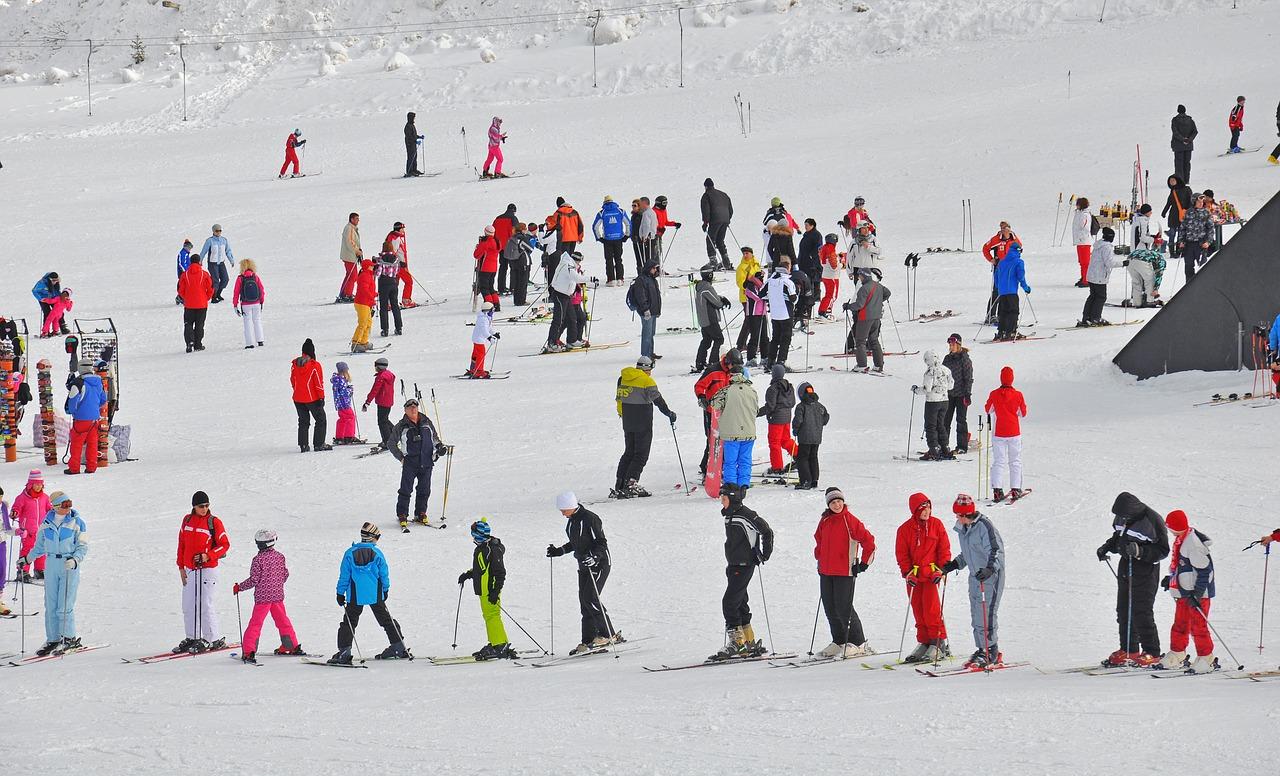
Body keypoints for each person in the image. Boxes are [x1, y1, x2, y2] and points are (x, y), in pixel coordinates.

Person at [1096, 492, 1170, 666]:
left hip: (1145, 569)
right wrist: (1106, 547)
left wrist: (1140, 552)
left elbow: (1163, 550)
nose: (1122, 518)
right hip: (1126, 565)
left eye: (1124, 515)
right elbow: (1118, 537)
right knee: (1123, 609)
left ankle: (1152, 651)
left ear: (1132, 510)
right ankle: (1129, 649)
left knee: (1141, 611)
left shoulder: (1152, 520)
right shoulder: (1122, 517)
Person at [546, 492, 620, 654]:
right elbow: (575, 543)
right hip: (584, 566)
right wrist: (559, 551)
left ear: (571, 506)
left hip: (599, 564)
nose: (562, 513)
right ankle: (588, 640)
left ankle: (608, 634)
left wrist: (595, 557)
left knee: (590, 598)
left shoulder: (590, 518)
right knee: (584, 602)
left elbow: (601, 542)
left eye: (563, 509)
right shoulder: (572, 521)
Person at [940, 494, 1005, 668]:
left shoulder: (984, 526)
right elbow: (968, 553)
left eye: (958, 515)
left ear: (965, 514)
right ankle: (982, 649)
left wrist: (990, 569)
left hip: (991, 576)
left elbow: (996, 551)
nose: (956, 518)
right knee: (976, 613)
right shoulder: (964, 528)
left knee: (987, 613)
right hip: (975, 577)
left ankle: (991, 651)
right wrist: (954, 564)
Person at [331, 522, 408, 664]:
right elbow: (384, 574)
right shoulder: (377, 553)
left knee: (349, 622)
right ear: (372, 537)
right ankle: (398, 646)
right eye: (378, 536)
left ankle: (344, 652)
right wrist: (385, 589)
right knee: (386, 619)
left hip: (356, 595)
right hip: (375, 593)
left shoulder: (349, 553)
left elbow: (344, 576)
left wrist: (340, 593)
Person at [712, 483, 773, 660]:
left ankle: (737, 643)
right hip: (733, 564)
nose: (721, 501)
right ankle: (748, 640)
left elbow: (767, 531)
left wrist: (764, 554)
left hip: (744, 564)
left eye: (723, 498)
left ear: (731, 498)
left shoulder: (746, 514)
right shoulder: (729, 514)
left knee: (729, 602)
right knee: (739, 602)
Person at [812, 487, 876, 658]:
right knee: (830, 607)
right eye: (833, 502)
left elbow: (869, 542)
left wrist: (863, 564)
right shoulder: (825, 520)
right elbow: (819, 540)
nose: (837, 505)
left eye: (839, 501)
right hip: (826, 571)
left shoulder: (850, 520)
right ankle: (839, 640)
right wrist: (819, 559)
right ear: (828, 504)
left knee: (843, 607)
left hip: (844, 571)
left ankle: (858, 642)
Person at [1155, 510, 1217, 673]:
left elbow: (1206, 571)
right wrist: (1171, 579)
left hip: (1198, 594)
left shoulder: (1193, 544)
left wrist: (1197, 593)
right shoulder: (1181, 539)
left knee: (1198, 627)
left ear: (1175, 527)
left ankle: (1206, 658)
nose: (1169, 530)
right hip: (1184, 593)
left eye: (1170, 527)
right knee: (1180, 624)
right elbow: (1182, 567)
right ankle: (1178, 653)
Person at [26, 491, 87, 655]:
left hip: (68, 564)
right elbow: (39, 546)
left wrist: (75, 560)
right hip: (51, 564)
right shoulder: (46, 522)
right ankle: (53, 639)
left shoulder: (77, 522)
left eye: (70, 503)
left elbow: (82, 546)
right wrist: (27, 559)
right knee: (51, 604)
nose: (68, 508)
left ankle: (69, 638)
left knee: (64, 604)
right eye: (65, 505)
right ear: (55, 506)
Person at [895, 492, 951, 663]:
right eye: (922, 509)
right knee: (918, 610)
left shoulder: (936, 524)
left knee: (931, 610)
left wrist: (941, 570)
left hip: (932, 575)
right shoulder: (904, 529)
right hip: (914, 577)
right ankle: (924, 642)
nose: (926, 512)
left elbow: (944, 549)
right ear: (915, 511)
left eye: (928, 508)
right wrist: (907, 572)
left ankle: (938, 642)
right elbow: (902, 554)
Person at [233, 529, 304, 662]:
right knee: (283, 621)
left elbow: (254, 580)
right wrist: (275, 584)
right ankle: (291, 645)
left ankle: (249, 651)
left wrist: (240, 587)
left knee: (255, 624)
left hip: (263, 599)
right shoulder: (280, 557)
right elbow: (285, 574)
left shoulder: (258, 559)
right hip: (277, 597)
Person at [173, 490, 230, 654]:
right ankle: (192, 637)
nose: (204, 509)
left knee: (205, 604)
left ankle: (212, 638)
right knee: (188, 605)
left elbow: (224, 545)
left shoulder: (214, 522)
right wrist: (181, 567)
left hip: (207, 570)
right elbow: (181, 544)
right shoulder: (187, 520)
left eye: (206, 505)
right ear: (194, 506)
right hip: (190, 570)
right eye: (201, 506)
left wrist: (208, 555)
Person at [613, 355, 676, 499]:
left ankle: (620, 484)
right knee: (641, 454)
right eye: (650, 370)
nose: (650, 373)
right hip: (643, 421)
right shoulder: (646, 381)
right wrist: (669, 413)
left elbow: (619, 398)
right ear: (647, 368)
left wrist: (622, 414)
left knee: (629, 452)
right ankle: (631, 484)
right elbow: (658, 400)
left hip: (627, 420)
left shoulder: (622, 378)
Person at [457, 519, 517, 660]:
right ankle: (495, 642)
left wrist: (495, 591)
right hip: (483, 590)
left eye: (474, 535)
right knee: (488, 616)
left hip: (490, 590)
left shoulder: (492, 550)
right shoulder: (483, 548)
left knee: (492, 615)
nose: (473, 538)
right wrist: (468, 574)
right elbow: (482, 568)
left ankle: (500, 645)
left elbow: (499, 572)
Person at [388, 397, 446, 529]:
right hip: (410, 463)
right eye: (410, 407)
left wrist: (440, 447)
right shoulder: (401, 426)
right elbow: (391, 443)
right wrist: (401, 458)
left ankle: (421, 513)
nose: (413, 409)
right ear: (405, 410)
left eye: (415, 407)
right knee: (405, 490)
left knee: (424, 489)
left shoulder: (426, 422)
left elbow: (434, 438)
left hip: (427, 462)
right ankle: (402, 514)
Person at [710, 365, 759, 488]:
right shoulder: (752, 391)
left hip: (731, 433)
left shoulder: (726, 391)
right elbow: (756, 410)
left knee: (730, 462)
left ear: (731, 376)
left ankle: (731, 485)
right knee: (745, 460)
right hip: (749, 431)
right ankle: (744, 484)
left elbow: (714, 404)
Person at [983, 366, 1027, 502]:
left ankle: (997, 490)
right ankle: (1015, 489)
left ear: (1001, 379)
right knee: (1015, 461)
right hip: (1014, 432)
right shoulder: (1018, 395)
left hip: (999, 433)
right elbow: (1023, 413)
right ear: (1012, 379)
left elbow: (988, 409)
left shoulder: (994, 394)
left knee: (999, 461)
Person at [694, 349, 739, 479]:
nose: (734, 368)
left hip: (727, 412)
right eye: (733, 365)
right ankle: (706, 468)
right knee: (712, 440)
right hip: (711, 412)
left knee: (724, 439)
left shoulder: (734, 372)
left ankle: (721, 465)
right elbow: (699, 386)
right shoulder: (713, 370)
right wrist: (702, 397)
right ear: (728, 361)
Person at [64, 358, 107, 475]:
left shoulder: (78, 383)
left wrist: (72, 411)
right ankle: (91, 467)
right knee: (92, 444)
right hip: (94, 419)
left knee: (76, 445)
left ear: (80, 368)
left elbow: (72, 401)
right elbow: (103, 400)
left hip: (81, 419)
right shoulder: (99, 382)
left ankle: (74, 468)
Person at [844, 269, 890, 371]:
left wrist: (848, 306)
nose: (859, 278)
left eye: (860, 276)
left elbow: (859, 305)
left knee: (860, 341)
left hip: (865, 318)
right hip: (876, 317)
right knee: (874, 341)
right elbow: (888, 293)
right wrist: (877, 301)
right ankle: (878, 365)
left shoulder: (864, 288)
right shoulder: (878, 286)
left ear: (863, 276)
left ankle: (862, 365)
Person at [911, 351, 954, 461]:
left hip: (932, 402)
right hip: (945, 401)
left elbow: (927, 389)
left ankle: (934, 449)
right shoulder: (946, 370)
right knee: (941, 425)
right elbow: (951, 386)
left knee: (930, 426)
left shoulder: (930, 371)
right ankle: (945, 448)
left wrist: (916, 390)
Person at [290, 338, 331, 453]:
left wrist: (297, 390)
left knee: (303, 421)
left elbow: (292, 380)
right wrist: (321, 397)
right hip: (312, 398)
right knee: (321, 419)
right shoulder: (314, 365)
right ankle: (319, 444)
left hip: (298, 398)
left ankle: (303, 445)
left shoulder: (295, 364)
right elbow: (318, 383)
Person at [1078, 227, 1125, 326]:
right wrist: (1123, 263)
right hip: (1099, 276)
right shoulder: (1107, 247)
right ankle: (1095, 318)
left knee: (1093, 296)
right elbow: (1109, 263)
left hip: (1092, 275)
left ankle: (1086, 317)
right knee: (1101, 297)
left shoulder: (1098, 245)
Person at [757, 363, 797, 476]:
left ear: (774, 374)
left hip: (776, 420)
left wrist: (757, 412)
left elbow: (770, 406)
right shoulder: (789, 387)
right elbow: (792, 403)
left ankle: (777, 467)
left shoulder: (773, 389)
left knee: (774, 443)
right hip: (787, 418)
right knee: (785, 440)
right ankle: (799, 457)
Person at [13, 469, 50, 582]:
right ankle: (22, 571)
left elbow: (49, 509)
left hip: (42, 530)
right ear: (30, 484)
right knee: (27, 550)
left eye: (40, 484)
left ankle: (39, 570)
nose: (38, 487)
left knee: (41, 550)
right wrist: (15, 512)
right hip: (28, 531)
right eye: (36, 484)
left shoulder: (45, 497)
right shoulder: (22, 497)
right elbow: (16, 508)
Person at [981, 222, 1021, 324]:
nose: (1003, 230)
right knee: (997, 290)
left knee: (1007, 291)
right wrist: (991, 259)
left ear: (1009, 229)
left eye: (1005, 228)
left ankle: (1002, 315)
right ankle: (990, 315)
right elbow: (985, 248)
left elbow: (1019, 248)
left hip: (1010, 269)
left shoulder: (1014, 238)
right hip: (999, 268)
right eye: (1001, 228)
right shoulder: (996, 239)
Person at [791, 382, 828, 490]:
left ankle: (806, 481)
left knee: (802, 458)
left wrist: (795, 429)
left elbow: (798, 420)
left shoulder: (801, 406)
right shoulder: (820, 406)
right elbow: (826, 418)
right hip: (816, 437)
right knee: (813, 457)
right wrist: (819, 424)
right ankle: (814, 480)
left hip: (805, 437)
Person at [694, 264, 731, 371]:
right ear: (710, 275)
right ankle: (713, 363)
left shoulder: (700, 287)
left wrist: (721, 298)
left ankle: (700, 362)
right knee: (719, 339)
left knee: (706, 340)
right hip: (710, 319)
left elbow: (712, 298)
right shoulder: (707, 287)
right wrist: (722, 302)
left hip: (703, 320)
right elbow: (717, 302)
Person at [991, 242, 1030, 342]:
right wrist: (1025, 287)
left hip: (1002, 292)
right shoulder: (1018, 262)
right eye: (1021, 251)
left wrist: (999, 287)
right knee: (1013, 311)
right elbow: (1020, 276)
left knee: (1003, 312)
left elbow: (996, 276)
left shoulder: (1002, 261)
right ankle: (1011, 331)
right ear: (1018, 250)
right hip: (1012, 291)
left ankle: (1001, 332)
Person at [942, 334, 973, 454]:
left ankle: (962, 446)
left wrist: (967, 394)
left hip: (961, 395)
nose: (950, 347)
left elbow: (968, 378)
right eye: (950, 345)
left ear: (958, 345)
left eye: (953, 344)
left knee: (961, 420)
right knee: (945, 420)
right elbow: (942, 375)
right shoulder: (947, 359)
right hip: (949, 395)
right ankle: (943, 445)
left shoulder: (965, 359)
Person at [764, 258, 796, 369]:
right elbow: (793, 298)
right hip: (786, 313)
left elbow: (761, 294)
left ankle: (770, 362)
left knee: (775, 337)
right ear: (787, 269)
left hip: (774, 314)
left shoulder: (770, 280)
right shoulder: (787, 281)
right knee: (786, 338)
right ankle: (781, 362)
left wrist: (772, 298)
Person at [734, 246, 766, 357]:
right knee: (749, 320)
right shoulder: (742, 267)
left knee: (753, 321)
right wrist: (749, 283)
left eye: (747, 253)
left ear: (752, 254)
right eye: (744, 253)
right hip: (747, 296)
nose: (745, 255)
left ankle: (751, 342)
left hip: (757, 296)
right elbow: (740, 283)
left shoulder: (756, 265)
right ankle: (742, 343)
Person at [594, 195, 632, 286]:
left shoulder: (602, 213)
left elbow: (595, 226)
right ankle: (620, 279)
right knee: (618, 259)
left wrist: (599, 238)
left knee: (609, 260)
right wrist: (627, 235)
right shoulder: (620, 211)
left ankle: (611, 280)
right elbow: (628, 224)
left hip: (607, 240)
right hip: (619, 239)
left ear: (604, 203)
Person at [178, 254, 213, 352]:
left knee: (188, 324)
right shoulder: (204, 274)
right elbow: (210, 288)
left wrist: (186, 298)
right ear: (199, 262)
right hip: (202, 304)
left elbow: (180, 290)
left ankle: (189, 342)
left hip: (189, 304)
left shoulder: (185, 275)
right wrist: (206, 298)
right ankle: (198, 345)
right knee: (199, 324)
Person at [1177, 193, 1214, 284]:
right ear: (1194, 202)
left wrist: (1208, 242)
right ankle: (1189, 285)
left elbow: (1210, 229)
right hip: (1189, 244)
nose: (1201, 203)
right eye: (1198, 202)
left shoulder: (1206, 213)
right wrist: (1181, 241)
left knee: (1202, 267)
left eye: (1202, 201)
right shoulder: (1188, 212)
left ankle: (1203, 286)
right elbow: (1182, 228)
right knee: (1188, 267)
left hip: (1201, 244)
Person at [630, 259, 663, 360]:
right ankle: (645, 355)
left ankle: (650, 352)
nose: (655, 270)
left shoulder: (653, 280)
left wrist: (657, 310)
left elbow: (656, 296)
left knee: (651, 333)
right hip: (646, 311)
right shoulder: (641, 280)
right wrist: (645, 309)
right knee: (647, 334)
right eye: (654, 268)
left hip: (653, 311)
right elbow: (641, 296)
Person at [362, 357, 396, 450]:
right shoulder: (389, 375)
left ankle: (387, 441)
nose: (375, 368)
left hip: (382, 402)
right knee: (385, 419)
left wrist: (367, 402)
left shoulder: (381, 377)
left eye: (376, 366)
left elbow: (374, 390)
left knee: (382, 422)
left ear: (379, 367)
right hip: (388, 401)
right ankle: (396, 434)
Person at [701, 178, 734, 270]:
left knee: (710, 240)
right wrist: (727, 219)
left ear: (705, 186)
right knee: (720, 240)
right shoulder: (724, 195)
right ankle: (726, 262)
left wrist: (705, 223)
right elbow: (731, 210)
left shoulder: (706, 195)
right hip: (725, 220)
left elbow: (705, 210)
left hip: (715, 220)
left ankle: (713, 261)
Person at [232, 258, 265, 349]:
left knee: (247, 322)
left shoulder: (240, 278)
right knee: (257, 320)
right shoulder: (255, 277)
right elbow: (261, 290)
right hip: (257, 303)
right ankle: (260, 340)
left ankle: (249, 343)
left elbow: (236, 292)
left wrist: (235, 305)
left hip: (245, 304)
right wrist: (261, 301)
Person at [373, 240, 403, 337]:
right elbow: (397, 271)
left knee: (384, 307)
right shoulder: (396, 259)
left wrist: (375, 267)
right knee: (395, 306)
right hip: (393, 283)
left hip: (383, 284)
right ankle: (399, 328)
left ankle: (385, 330)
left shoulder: (381, 259)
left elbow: (378, 273)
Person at [199, 224, 234, 303]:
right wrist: (200, 261)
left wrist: (231, 260)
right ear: (213, 231)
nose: (218, 232)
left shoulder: (224, 240)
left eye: (220, 231)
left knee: (225, 279)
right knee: (215, 281)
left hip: (221, 263)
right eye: (217, 231)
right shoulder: (209, 241)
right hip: (212, 264)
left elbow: (228, 251)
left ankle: (218, 294)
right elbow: (203, 251)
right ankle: (213, 297)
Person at [384, 221, 415, 308]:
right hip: (398, 265)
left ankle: (389, 303)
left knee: (394, 284)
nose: (403, 230)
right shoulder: (396, 239)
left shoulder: (394, 236)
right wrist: (400, 262)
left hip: (395, 265)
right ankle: (406, 300)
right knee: (409, 281)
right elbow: (392, 252)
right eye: (402, 229)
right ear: (399, 229)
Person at [1161, 175, 1193, 256]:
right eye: (1170, 181)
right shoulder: (1173, 191)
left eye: (1173, 180)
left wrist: (1189, 211)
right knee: (1172, 234)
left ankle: (1179, 251)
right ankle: (1172, 252)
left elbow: (1190, 201)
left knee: (1180, 235)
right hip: (1173, 216)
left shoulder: (1186, 189)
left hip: (1183, 215)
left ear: (1177, 180)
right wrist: (1164, 212)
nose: (1171, 182)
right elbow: (1169, 202)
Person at [331, 362, 361, 445]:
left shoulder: (339, 380)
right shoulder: (340, 380)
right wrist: (349, 390)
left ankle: (342, 436)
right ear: (344, 371)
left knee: (344, 419)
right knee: (350, 417)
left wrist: (347, 388)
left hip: (341, 403)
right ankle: (348, 436)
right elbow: (343, 393)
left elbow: (340, 391)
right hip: (344, 403)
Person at [468, 301, 500, 379]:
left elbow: (489, 328)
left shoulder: (486, 317)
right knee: (481, 354)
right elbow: (484, 331)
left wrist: (494, 333)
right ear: (488, 310)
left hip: (477, 338)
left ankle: (473, 369)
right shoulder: (483, 319)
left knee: (476, 354)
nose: (493, 311)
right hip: (479, 339)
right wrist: (489, 338)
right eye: (492, 310)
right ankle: (479, 371)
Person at [473, 225, 501, 311]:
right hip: (493, 268)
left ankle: (489, 305)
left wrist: (478, 247)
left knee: (484, 288)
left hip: (485, 268)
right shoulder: (497, 242)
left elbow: (476, 255)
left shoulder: (485, 243)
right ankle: (496, 304)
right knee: (491, 287)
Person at [506, 222, 534, 306]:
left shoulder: (512, 237)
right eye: (525, 228)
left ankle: (516, 300)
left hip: (513, 262)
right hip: (523, 262)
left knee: (516, 282)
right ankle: (521, 301)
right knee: (523, 282)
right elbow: (530, 248)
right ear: (522, 230)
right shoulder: (522, 238)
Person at [351, 259, 376, 352]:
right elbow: (364, 290)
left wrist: (375, 294)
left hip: (366, 302)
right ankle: (356, 343)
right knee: (363, 323)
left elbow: (369, 289)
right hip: (362, 303)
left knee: (368, 323)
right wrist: (371, 297)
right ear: (367, 266)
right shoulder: (365, 275)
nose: (373, 267)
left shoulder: (368, 275)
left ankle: (363, 342)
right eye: (371, 265)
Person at [493, 204, 519, 293]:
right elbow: (516, 232)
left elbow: (493, 231)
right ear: (514, 211)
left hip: (500, 246)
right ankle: (513, 287)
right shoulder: (513, 219)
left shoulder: (497, 218)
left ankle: (501, 287)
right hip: (510, 246)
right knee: (513, 267)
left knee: (503, 267)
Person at [817, 234, 843, 319]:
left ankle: (823, 311)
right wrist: (842, 264)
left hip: (826, 275)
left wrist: (837, 257)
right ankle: (824, 313)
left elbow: (826, 261)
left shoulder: (824, 248)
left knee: (828, 295)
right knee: (832, 296)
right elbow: (834, 266)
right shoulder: (831, 249)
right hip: (832, 277)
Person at [338, 212, 362, 304]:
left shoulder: (352, 228)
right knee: (353, 275)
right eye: (356, 219)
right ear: (351, 219)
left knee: (349, 275)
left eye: (358, 219)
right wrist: (357, 251)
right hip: (350, 256)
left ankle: (344, 293)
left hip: (350, 255)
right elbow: (350, 242)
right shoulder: (349, 228)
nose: (358, 221)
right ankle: (347, 294)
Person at [1171, 104, 1197, 183]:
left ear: (1178, 111)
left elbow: (1175, 132)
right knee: (1187, 164)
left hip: (1178, 146)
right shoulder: (1190, 120)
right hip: (1188, 146)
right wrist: (1189, 140)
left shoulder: (1175, 120)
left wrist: (1182, 139)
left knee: (1179, 165)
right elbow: (1195, 131)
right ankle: (1186, 180)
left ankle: (1180, 181)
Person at [1070, 198, 1093, 288]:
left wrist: (1080, 236)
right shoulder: (1079, 213)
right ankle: (1083, 277)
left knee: (1085, 262)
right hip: (1080, 241)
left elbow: (1084, 227)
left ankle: (1086, 280)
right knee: (1082, 261)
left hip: (1084, 241)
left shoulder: (1084, 215)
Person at [797, 218, 823, 298]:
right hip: (803, 261)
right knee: (805, 278)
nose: (805, 227)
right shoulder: (806, 234)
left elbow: (818, 249)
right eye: (805, 225)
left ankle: (814, 296)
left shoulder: (817, 235)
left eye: (807, 225)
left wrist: (812, 257)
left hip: (812, 262)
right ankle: (807, 295)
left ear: (812, 225)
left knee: (813, 278)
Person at [652, 195, 681, 263]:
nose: (665, 205)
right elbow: (652, 224)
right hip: (654, 235)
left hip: (660, 235)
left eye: (666, 203)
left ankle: (657, 266)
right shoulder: (653, 211)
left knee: (659, 251)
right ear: (659, 203)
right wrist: (658, 229)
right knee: (654, 252)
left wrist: (674, 224)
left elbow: (665, 222)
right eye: (664, 203)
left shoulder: (663, 211)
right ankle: (653, 267)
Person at [635, 196, 659, 267]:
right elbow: (656, 223)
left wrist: (644, 236)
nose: (640, 206)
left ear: (644, 203)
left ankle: (649, 271)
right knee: (651, 255)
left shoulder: (646, 213)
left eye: (640, 203)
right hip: (652, 236)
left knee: (648, 257)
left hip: (648, 238)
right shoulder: (652, 212)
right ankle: (652, 270)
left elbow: (646, 226)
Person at [403, 111, 423, 177]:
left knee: (414, 157)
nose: (414, 118)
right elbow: (409, 137)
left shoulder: (412, 125)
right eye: (413, 117)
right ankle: (409, 171)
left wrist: (419, 137)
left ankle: (414, 170)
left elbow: (413, 135)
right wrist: (415, 141)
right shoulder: (408, 126)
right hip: (409, 144)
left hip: (413, 144)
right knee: (411, 157)